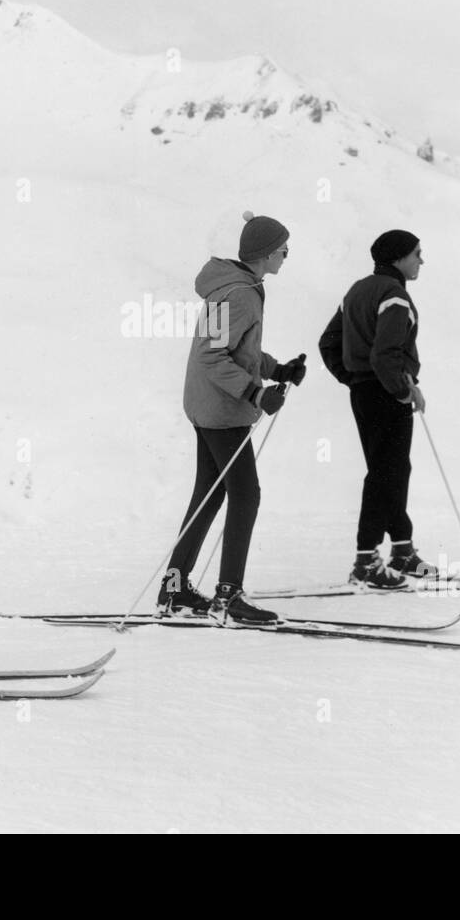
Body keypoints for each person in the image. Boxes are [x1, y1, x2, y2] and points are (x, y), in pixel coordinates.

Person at [159, 213, 307, 627]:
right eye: (283, 249)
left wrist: (277, 370)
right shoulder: (239, 293)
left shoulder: (240, 288)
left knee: (210, 493)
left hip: (209, 405)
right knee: (246, 493)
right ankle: (228, 595)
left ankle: (175, 590)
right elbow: (212, 355)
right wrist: (255, 391)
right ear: (264, 254)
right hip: (220, 410)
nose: (286, 255)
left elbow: (238, 349)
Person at [318, 229, 437, 588]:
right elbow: (385, 354)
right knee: (387, 472)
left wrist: (354, 378)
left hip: (366, 392)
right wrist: (403, 390)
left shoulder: (357, 290)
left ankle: (401, 550)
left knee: (390, 469)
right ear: (399, 257)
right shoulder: (395, 296)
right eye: (417, 253)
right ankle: (366, 560)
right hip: (386, 393)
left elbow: (328, 343)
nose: (421, 261)